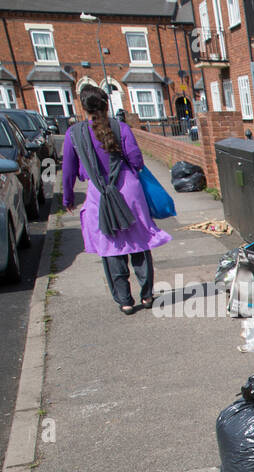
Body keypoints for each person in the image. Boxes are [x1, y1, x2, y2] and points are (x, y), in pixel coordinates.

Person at [61, 87, 171, 314]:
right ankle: (147, 295)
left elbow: (68, 170)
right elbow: (136, 160)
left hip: (99, 195)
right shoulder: (120, 128)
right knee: (139, 242)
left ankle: (125, 301)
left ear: (83, 107)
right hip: (129, 191)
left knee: (112, 246)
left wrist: (68, 198)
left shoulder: (74, 133)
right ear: (106, 105)